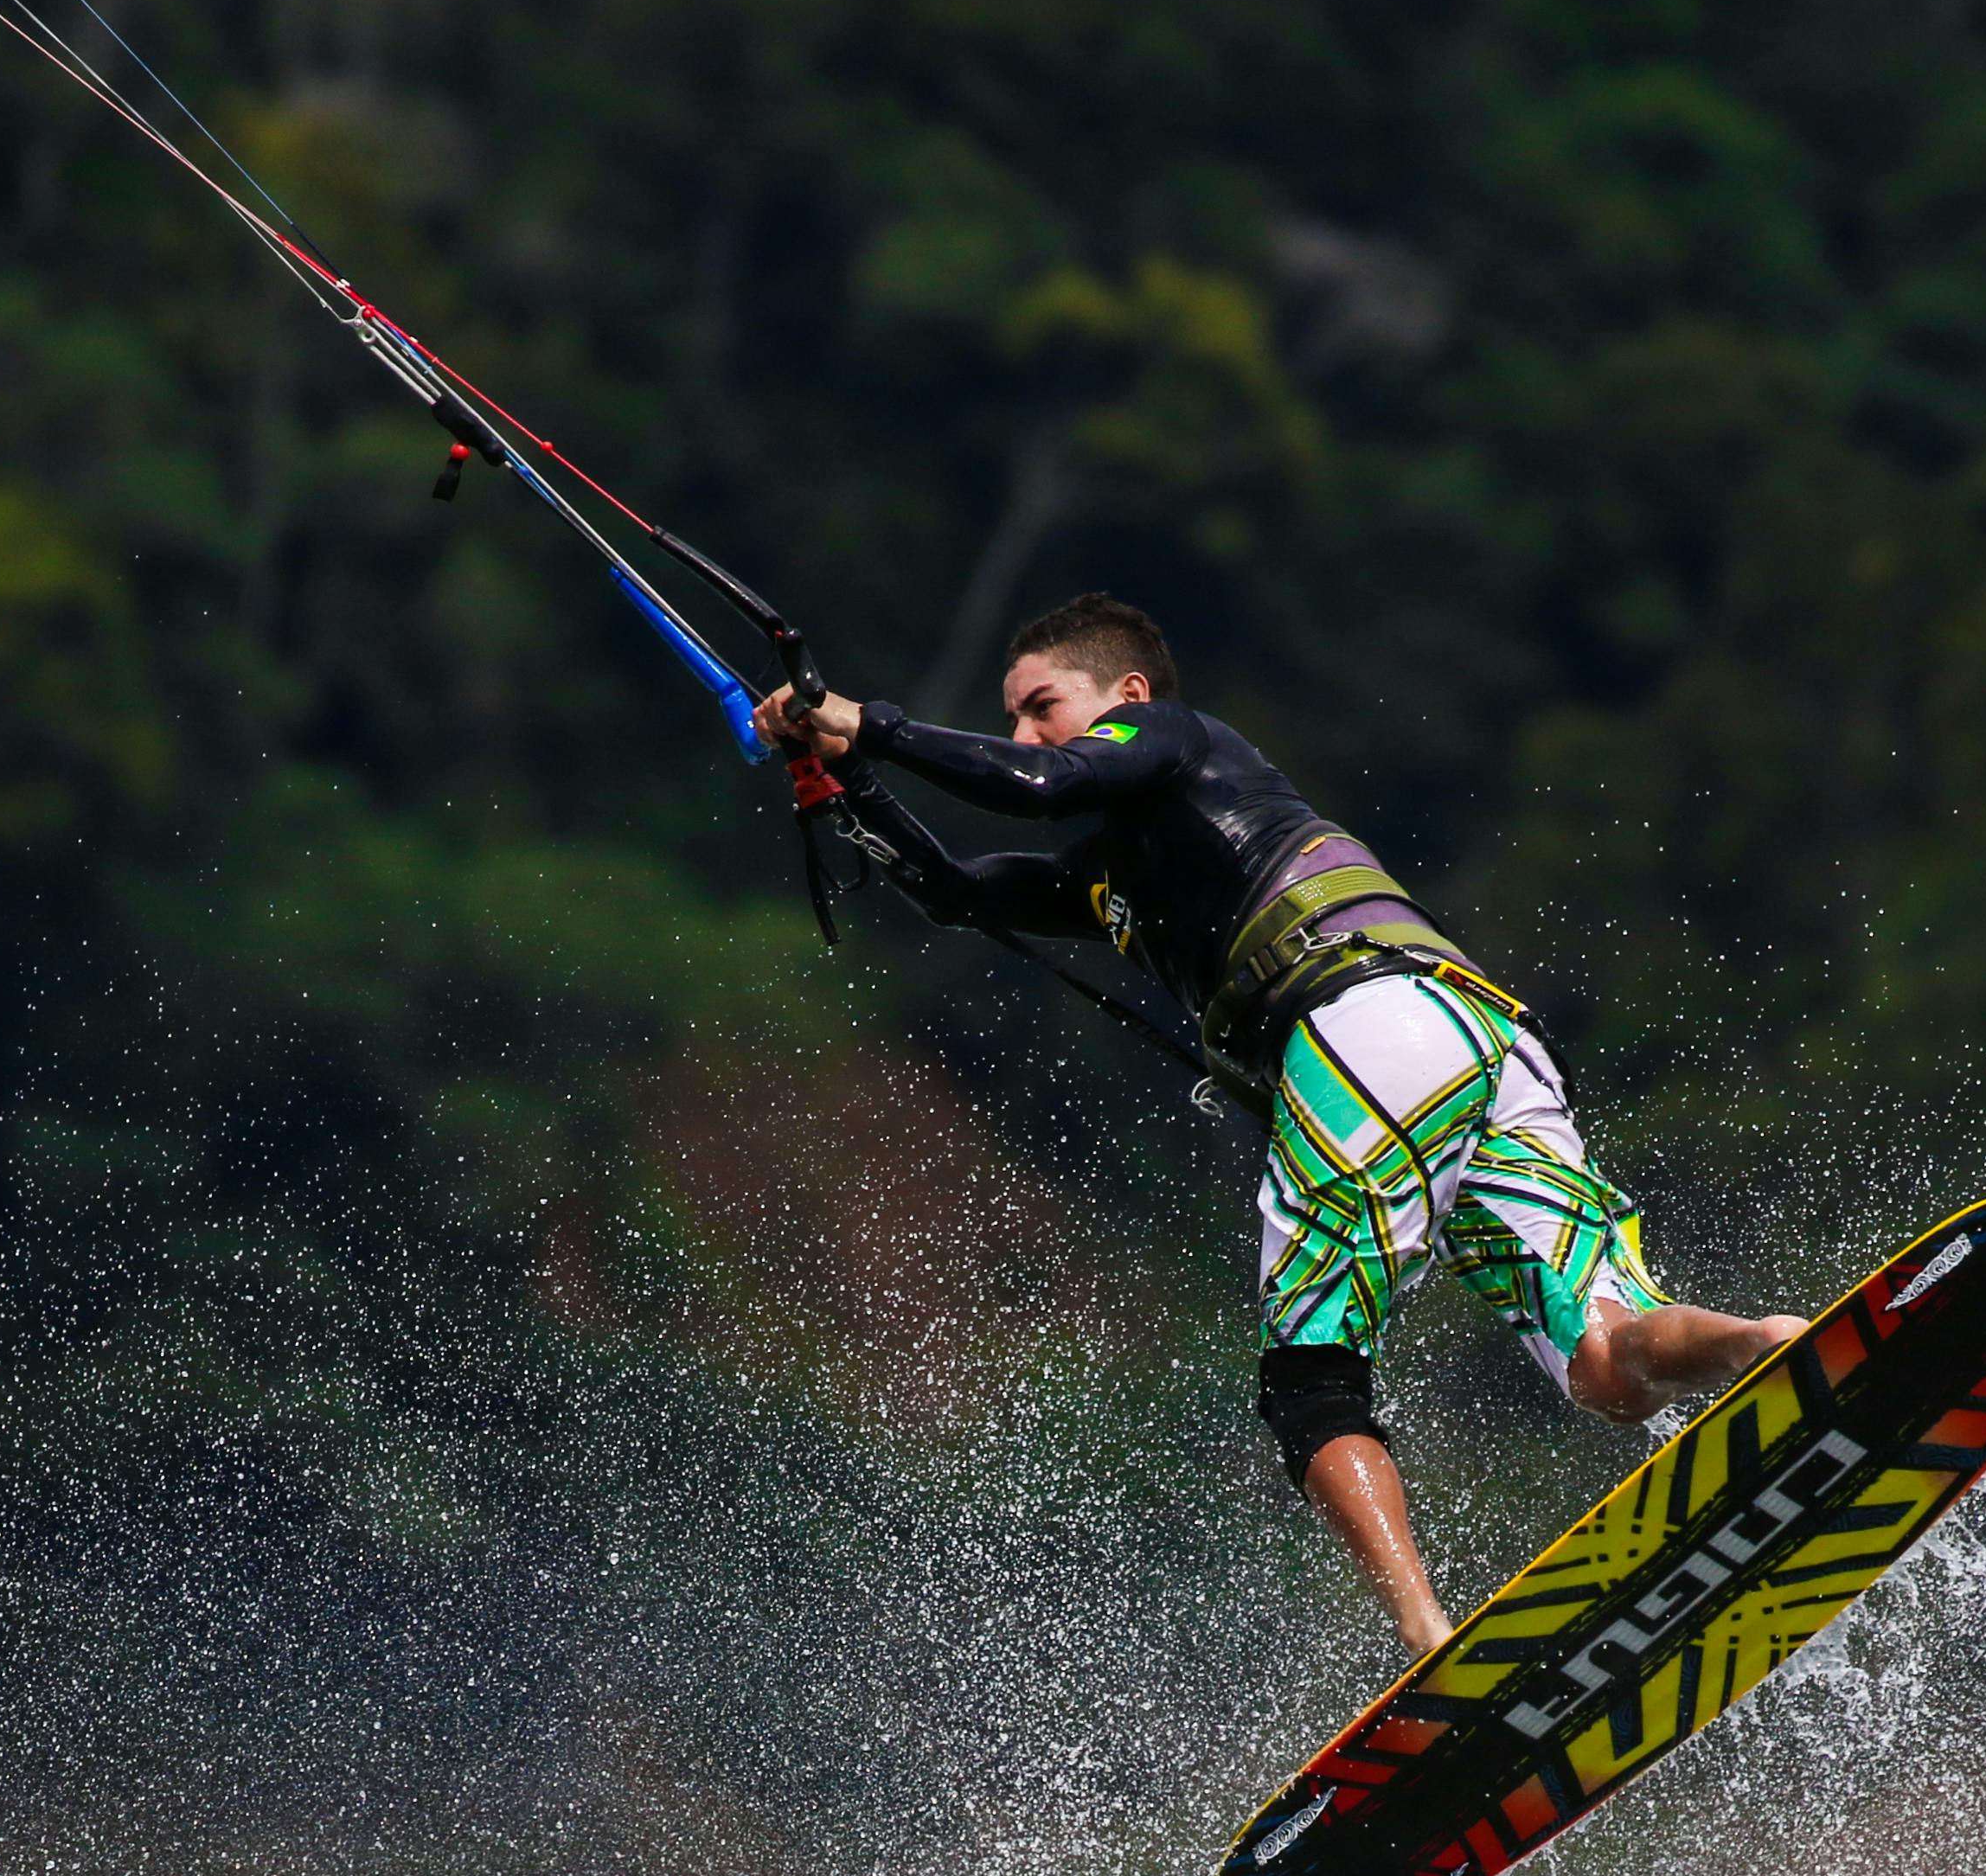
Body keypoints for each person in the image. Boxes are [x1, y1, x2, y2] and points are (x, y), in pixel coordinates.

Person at [759, 592, 1801, 1660]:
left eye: (1040, 705)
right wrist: (837, 778)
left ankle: (1424, 1630)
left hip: (1371, 1036)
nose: (1025, 732)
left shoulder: (1172, 736)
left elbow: (1039, 784)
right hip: (1477, 1039)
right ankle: (1773, 1343)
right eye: (1015, 716)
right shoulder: (1115, 870)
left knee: (1307, 1383)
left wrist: (858, 719)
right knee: (1608, 1372)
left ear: (1125, 695)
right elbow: (953, 887)